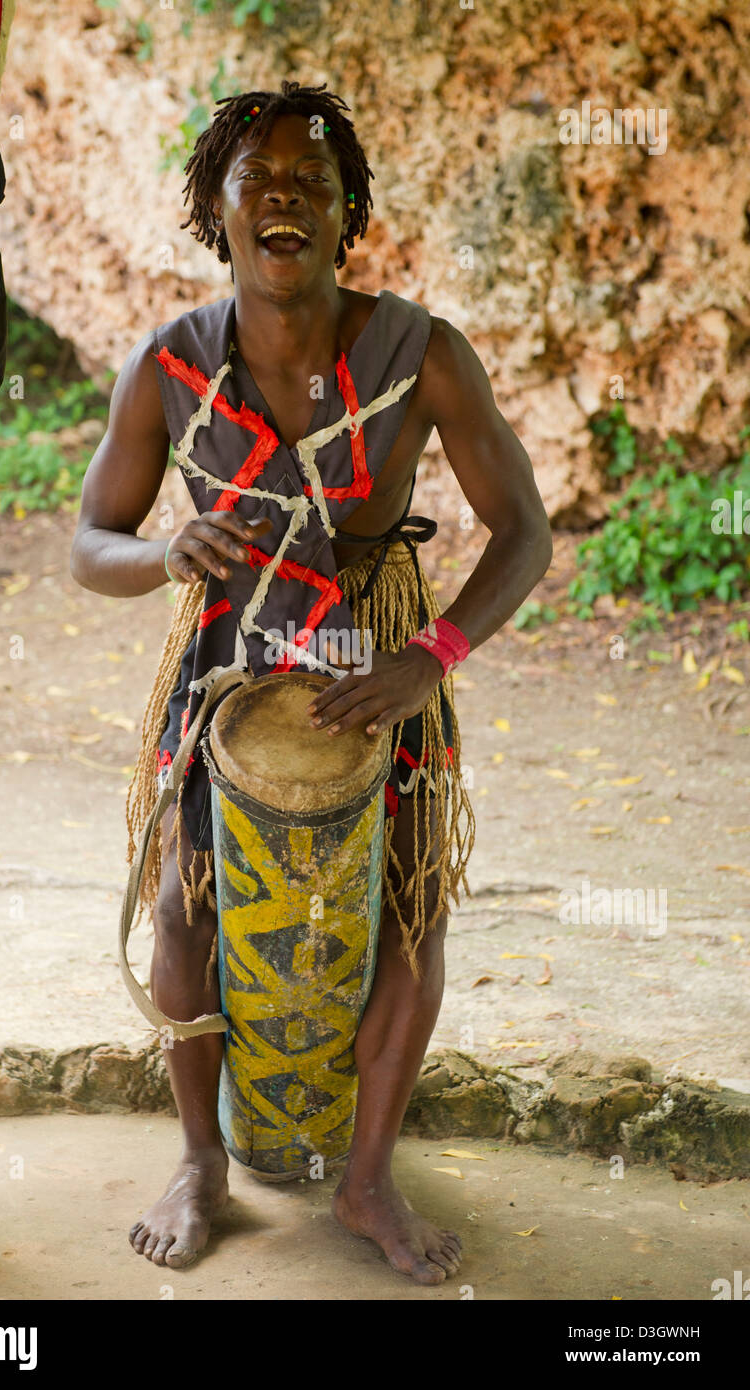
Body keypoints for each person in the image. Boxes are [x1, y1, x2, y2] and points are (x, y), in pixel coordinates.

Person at [70, 80, 552, 1286]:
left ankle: (368, 1178)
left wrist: (426, 661)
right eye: (256, 177)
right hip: (228, 665)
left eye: (313, 179)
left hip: (379, 663)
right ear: (215, 211)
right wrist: (161, 551)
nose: (283, 190)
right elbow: (91, 543)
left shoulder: (419, 356)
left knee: (413, 912)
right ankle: (198, 1161)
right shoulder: (169, 368)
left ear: (347, 217)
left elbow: (525, 532)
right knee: (184, 904)